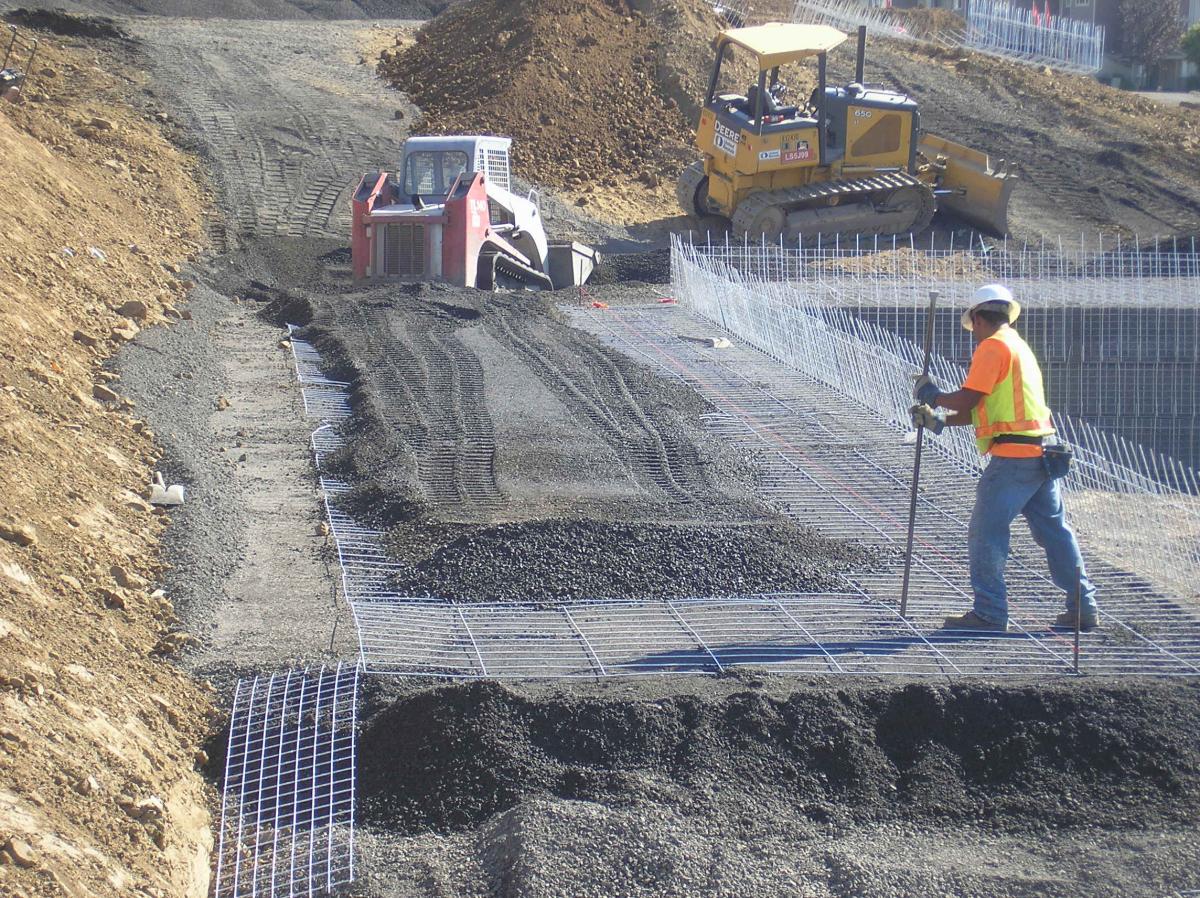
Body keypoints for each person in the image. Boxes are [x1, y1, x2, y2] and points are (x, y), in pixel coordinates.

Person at [910, 284, 1099, 633]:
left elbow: (966, 400)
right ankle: (1083, 605)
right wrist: (939, 421)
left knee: (986, 533)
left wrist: (932, 395)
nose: (974, 335)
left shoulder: (992, 346)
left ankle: (990, 613)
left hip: (1015, 459)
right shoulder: (1018, 346)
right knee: (1055, 532)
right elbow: (981, 409)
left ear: (979, 318)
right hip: (1043, 451)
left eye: (974, 328)